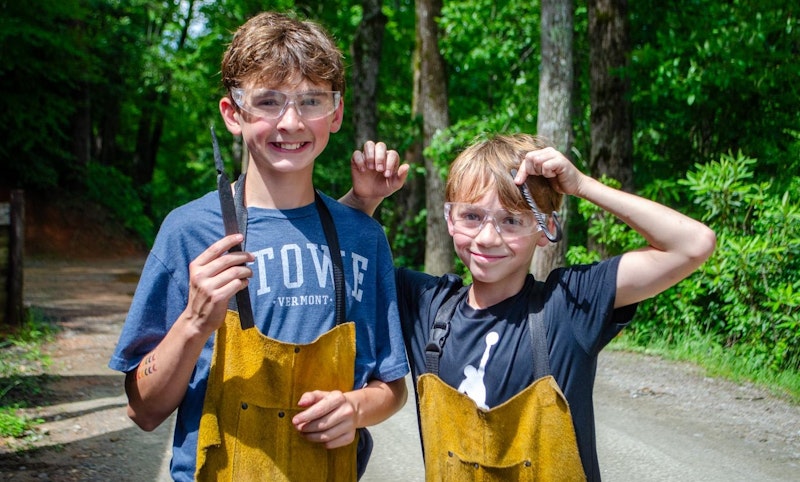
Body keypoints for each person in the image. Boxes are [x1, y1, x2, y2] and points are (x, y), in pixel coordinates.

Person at [108, 12, 409, 482]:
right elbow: (143, 411)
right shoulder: (188, 231)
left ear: (336, 113)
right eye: (268, 101)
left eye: (311, 100)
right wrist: (193, 322)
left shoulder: (364, 238)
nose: (291, 121)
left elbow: (391, 386)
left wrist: (355, 409)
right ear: (234, 113)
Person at [345, 133, 716, 480]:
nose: (487, 237)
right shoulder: (424, 305)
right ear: (449, 219)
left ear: (545, 229)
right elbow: (335, 262)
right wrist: (362, 202)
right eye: (471, 216)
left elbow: (693, 244)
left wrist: (582, 185)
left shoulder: (568, 306)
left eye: (511, 220)